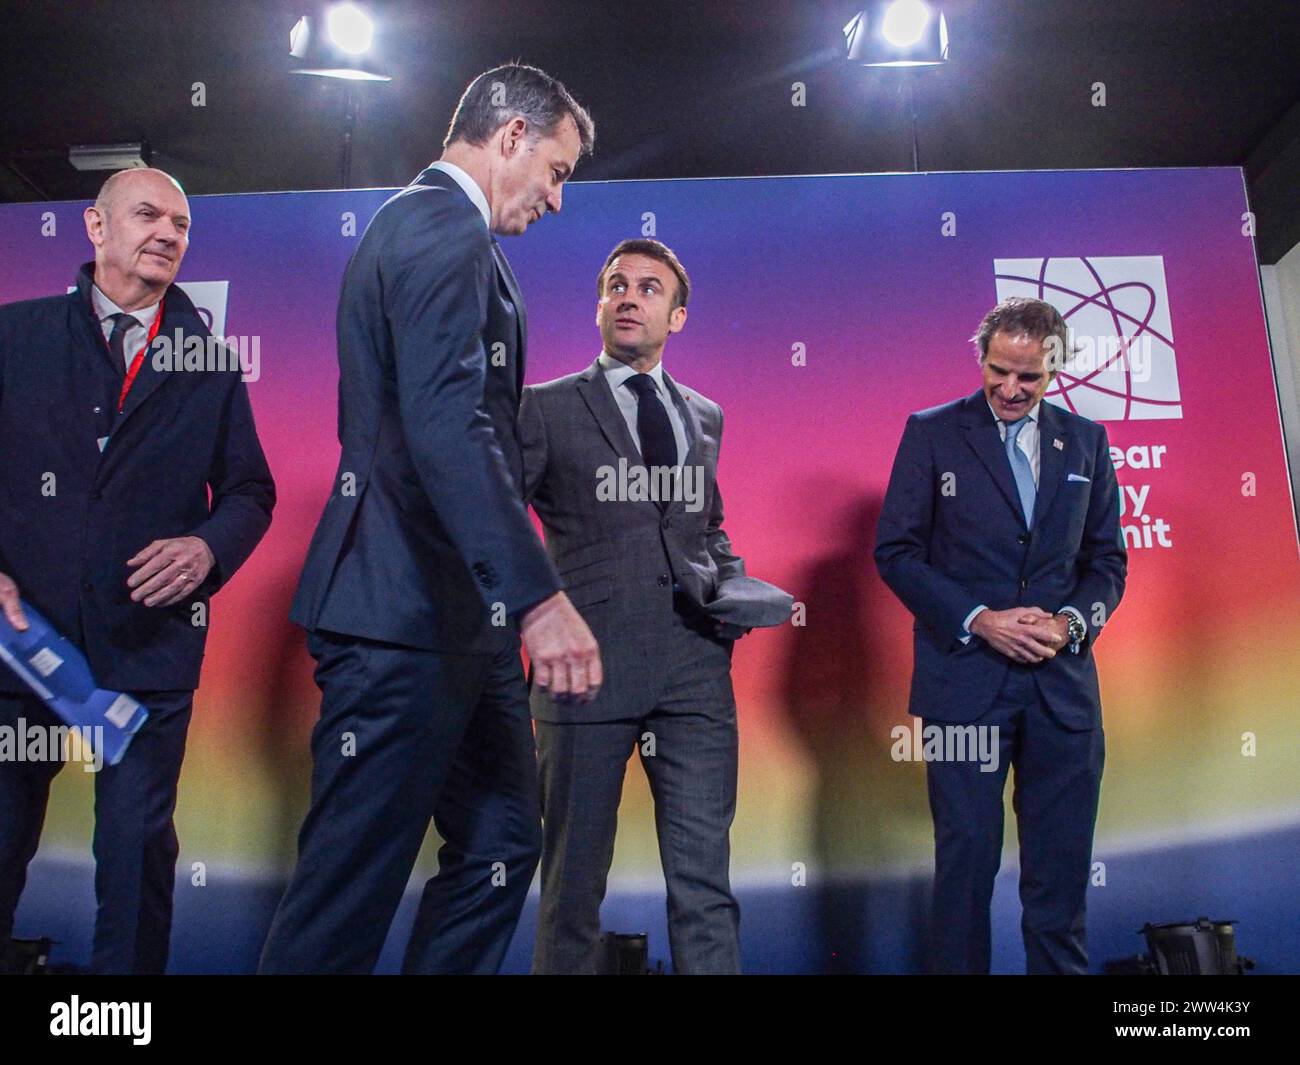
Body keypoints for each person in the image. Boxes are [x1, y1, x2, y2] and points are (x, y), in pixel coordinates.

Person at [258, 64, 600, 975]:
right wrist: (536, 598)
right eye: (558, 172)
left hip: (457, 622)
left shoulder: (455, 238)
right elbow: (448, 425)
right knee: (347, 887)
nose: (558, 200)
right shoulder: (437, 228)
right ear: (513, 137)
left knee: (500, 846)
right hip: (394, 618)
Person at [0, 167, 276, 974]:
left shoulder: (211, 362)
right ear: (95, 226)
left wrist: (208, 548)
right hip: (18, 651)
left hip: (145, 655)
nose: (167, 233)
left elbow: (251, 490)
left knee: (135, 863)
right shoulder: (14, 336)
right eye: (148, 214)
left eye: (182, 225)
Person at [519, 239, 792, 974]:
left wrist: (734, 587)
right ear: (600, 305)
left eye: (648, 288)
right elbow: (496, 523)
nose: (629, 297)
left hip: (695, 669)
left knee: (705, 886)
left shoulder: (705, 414)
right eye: (616, 285)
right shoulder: (542, 407)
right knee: (572, 888)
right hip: (584, 670)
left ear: (677, 315)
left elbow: (707, 525)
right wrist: (530, 615)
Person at [874, 297, 1126, 974]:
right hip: (965, 688)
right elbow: (896, 551)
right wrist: (978, 619)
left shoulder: (1088, 442)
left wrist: (1072, 621)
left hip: (1062, 694)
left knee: (1060, 879)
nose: (1010, 389)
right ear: (981, 357)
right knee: (965, 869)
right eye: (998, 371)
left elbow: (1107, 562)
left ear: (1055, 370)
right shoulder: (931, 433)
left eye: (1028, 378)